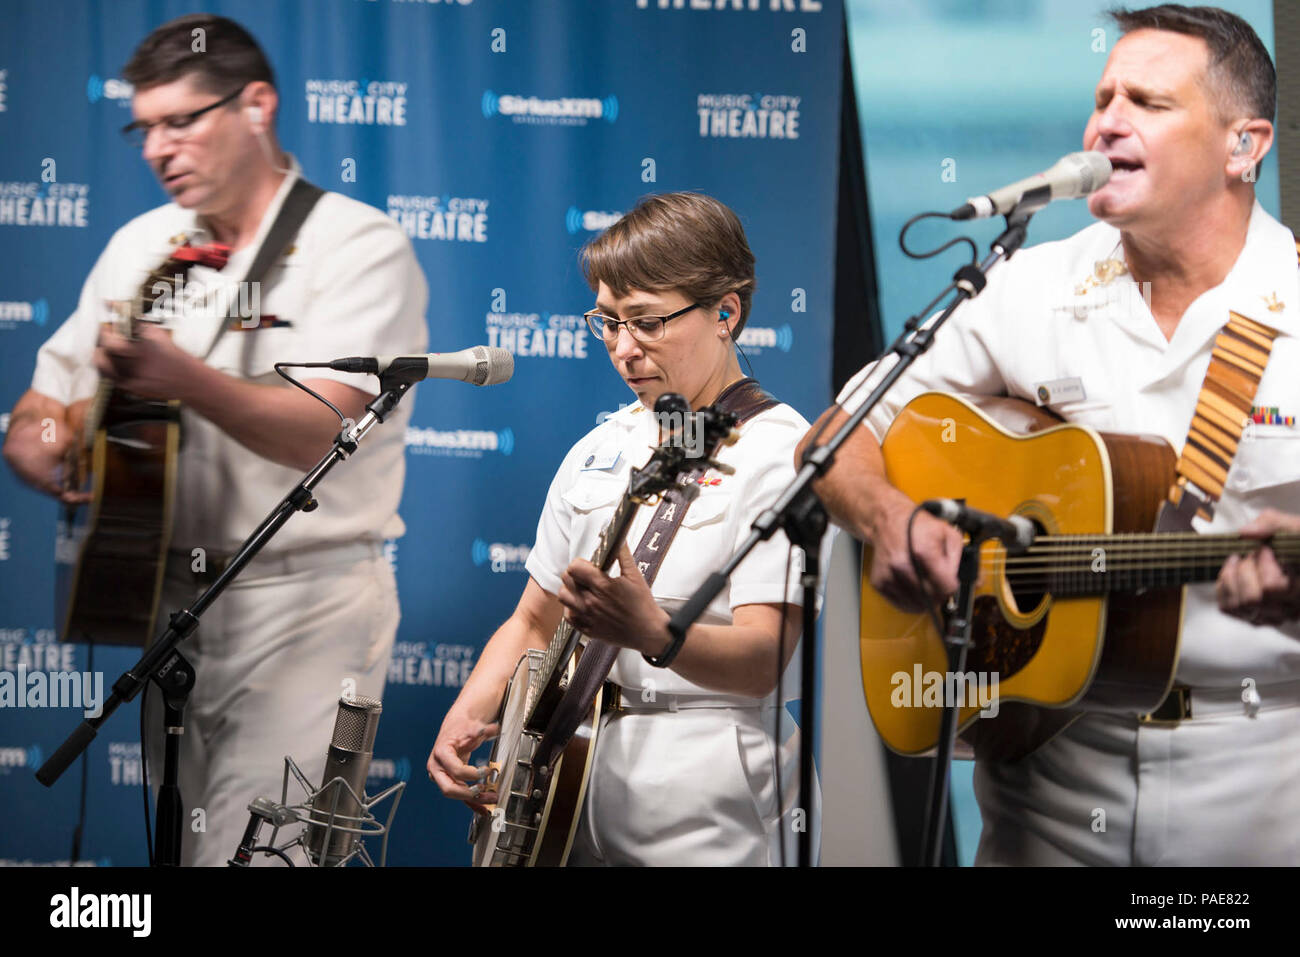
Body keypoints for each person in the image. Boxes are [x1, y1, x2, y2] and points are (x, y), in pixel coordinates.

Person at [798, 4, 1300, 865]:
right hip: (1043, 785)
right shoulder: (1027, 283)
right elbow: (838, 430)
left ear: (1243, 146)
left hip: (1259, 791)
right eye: (1103, 96)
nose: (1106, 120)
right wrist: (889, 516)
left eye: (1148, 100)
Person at [2, 15, 427, 866]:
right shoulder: (138, 246)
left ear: (257, 105)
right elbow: (38, 409)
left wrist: (185, 380)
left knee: (265, 855)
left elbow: (326, 428)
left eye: (182, 120)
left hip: (306, 606)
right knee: (184, 852)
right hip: (170, 609)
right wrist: (47, 444)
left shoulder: (358, 243)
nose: (159, 147)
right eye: (145, 128)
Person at [429, 192, 822, 866]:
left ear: (726, 310)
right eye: (606, 323)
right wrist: (471, 707)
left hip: (710, 783)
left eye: (646, 322)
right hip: (572, 779)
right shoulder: (599, 447)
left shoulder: (780, 451)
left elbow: (763, 659)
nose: (622, 348)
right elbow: (532, 619)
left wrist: (653, 632)